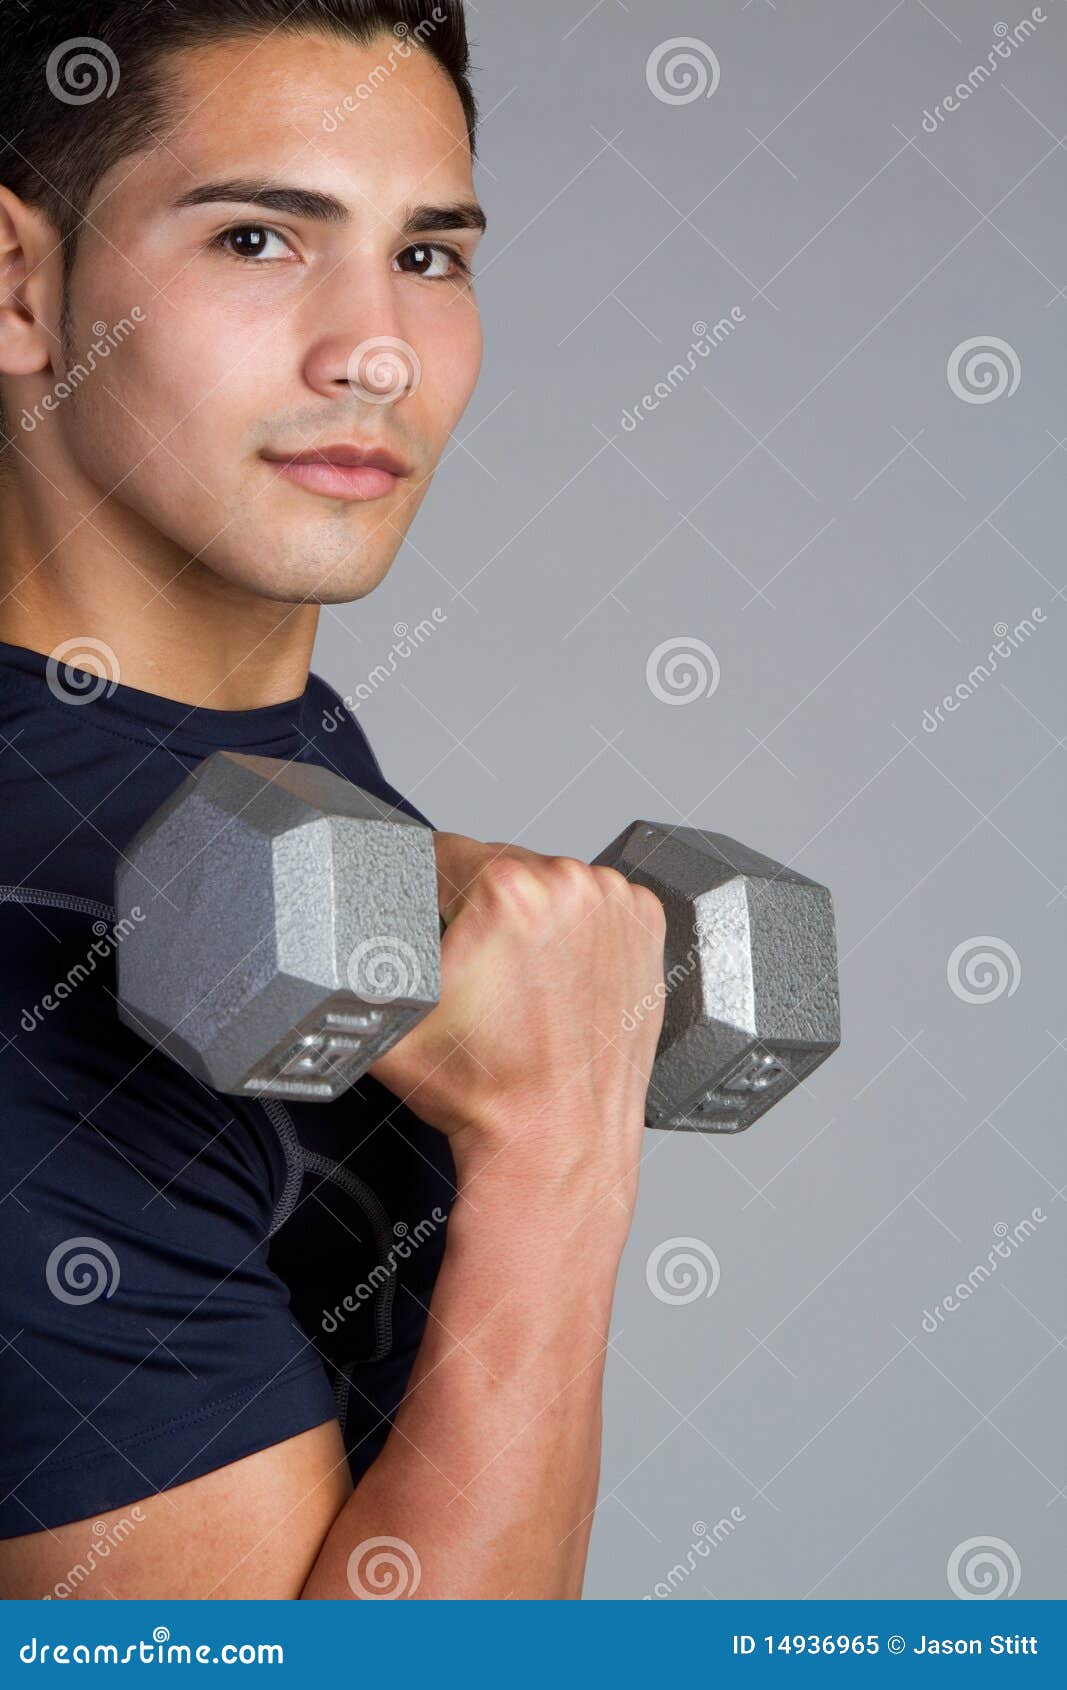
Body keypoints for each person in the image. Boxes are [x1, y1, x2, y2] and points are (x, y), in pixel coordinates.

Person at [0, 0, 666, 1599]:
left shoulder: (236, 760)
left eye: (429, 256)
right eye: (258, 238)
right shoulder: (32, 974)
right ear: (22, 285)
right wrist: (555, 1144)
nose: (377, 349)